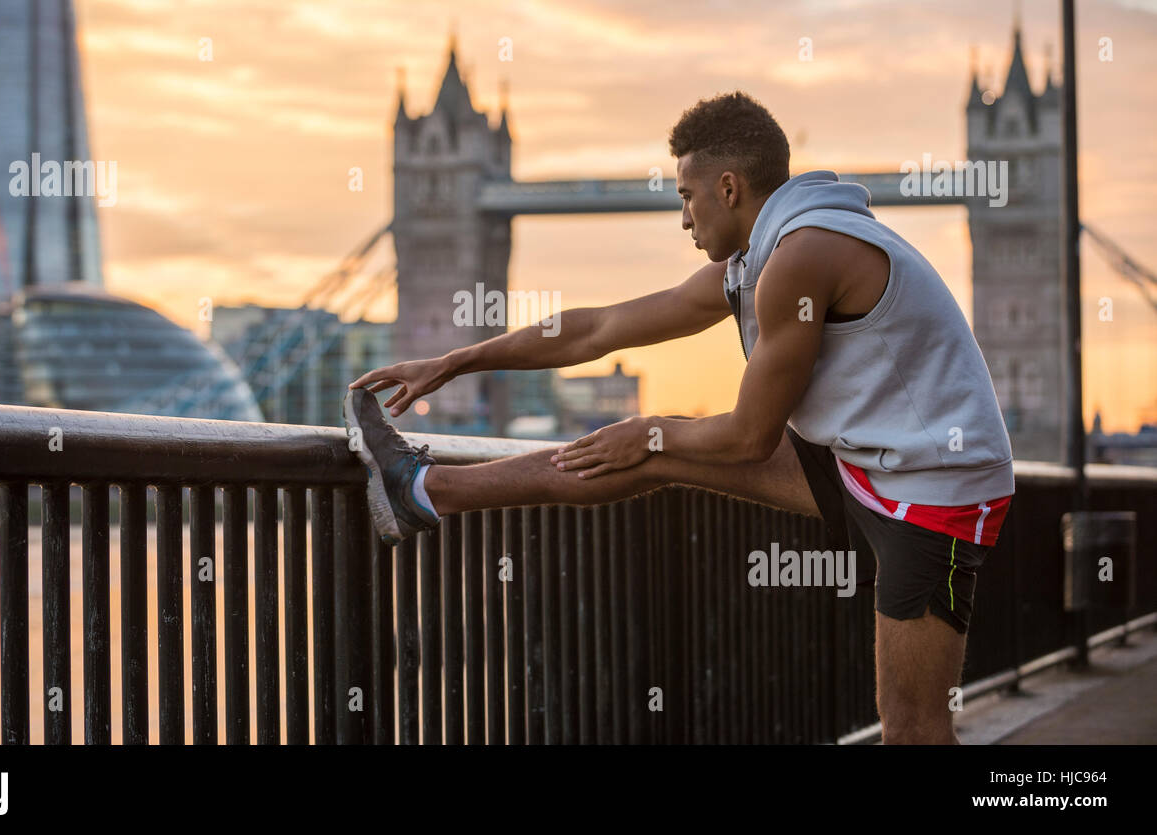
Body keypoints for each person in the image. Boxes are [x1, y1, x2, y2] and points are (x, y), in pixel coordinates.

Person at [343, 91, 1014, 744]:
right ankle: (420, 490)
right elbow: (597, 329)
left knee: (914, 731)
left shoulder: (801, 259)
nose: (684, 220)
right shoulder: (757, 259)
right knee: (643, 449)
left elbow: (751, 437)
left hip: (937, 490)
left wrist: (651, 427)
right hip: (869, 459)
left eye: (686, 198)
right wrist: (457, 360)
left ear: (728, 188)